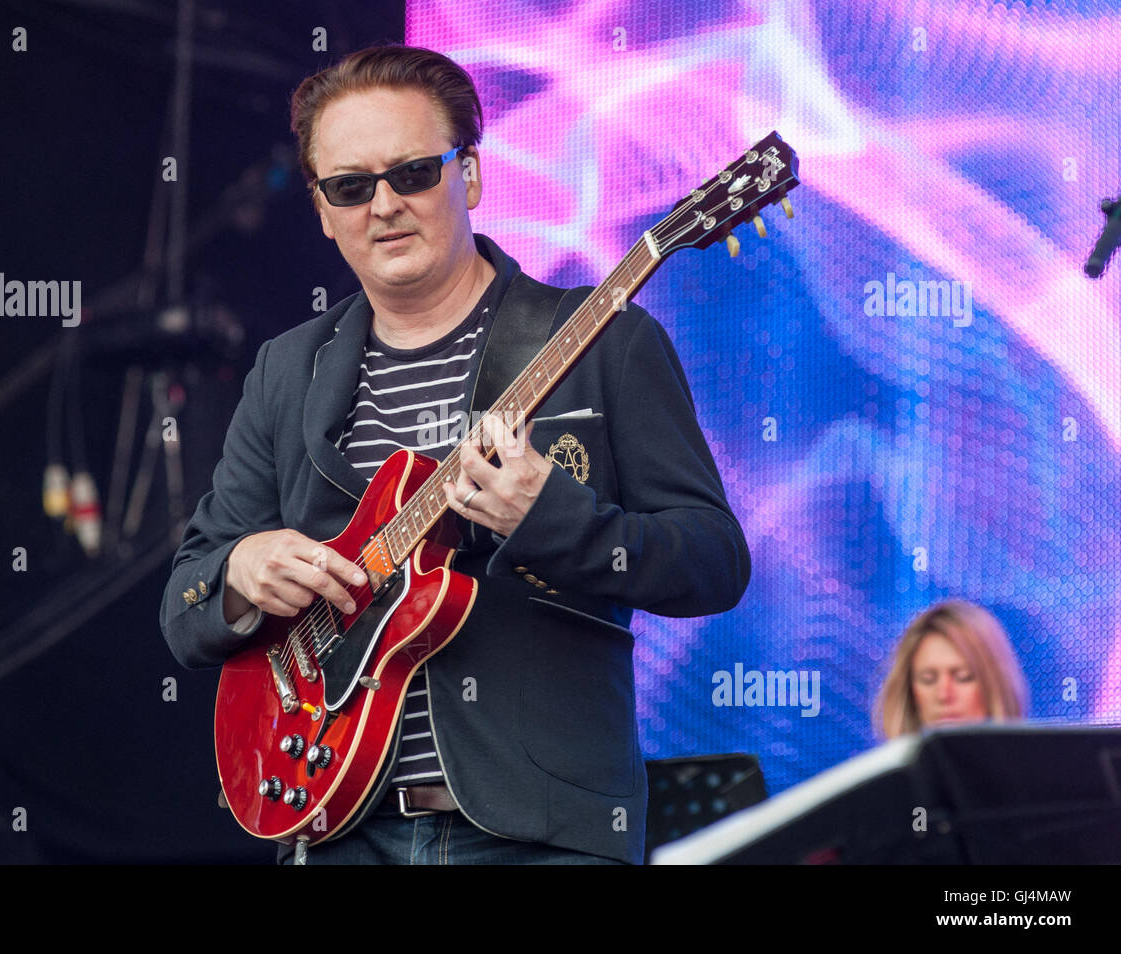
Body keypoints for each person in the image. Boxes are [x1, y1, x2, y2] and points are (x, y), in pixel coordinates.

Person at [159, 44, 750, 864]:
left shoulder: (602, 341)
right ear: (323, 210)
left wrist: (553, 519)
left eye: (413, 173)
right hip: (337, 827)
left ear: (468, 175)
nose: (384, 206)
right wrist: (240, 573)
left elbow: (714, 563)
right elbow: (186, 607)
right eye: (351, 187)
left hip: (538, 832)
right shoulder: (287, 370)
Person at [873, 598, 1029, 739]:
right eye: (928, 680)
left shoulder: (1035, 769)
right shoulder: (883, 769)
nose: (943, 695)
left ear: (996, 685)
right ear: (909, 692)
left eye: (963, 677)